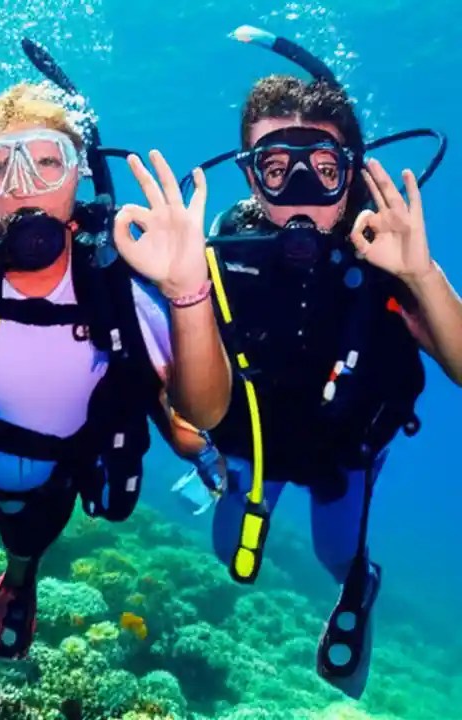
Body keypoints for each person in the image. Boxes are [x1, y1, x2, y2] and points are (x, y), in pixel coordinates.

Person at [0, 80, 232, 660]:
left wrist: (188, 292)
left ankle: (18, 580)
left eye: (47, 162)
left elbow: (206, 412)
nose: (22, 190)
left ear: (80, 174)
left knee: (25, 543)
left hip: (57, 478)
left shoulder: (120, 279)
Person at [174, 29, 462, 698]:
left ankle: (361, 587)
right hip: (254, 446)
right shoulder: (223, 256)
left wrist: (422, 275)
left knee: (339, 558)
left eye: (324, 169)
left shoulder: (388, 254)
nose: (300, 189)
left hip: (346, 451)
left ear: (353, 171)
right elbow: (186, 394)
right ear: (250, 175)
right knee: (226, 552)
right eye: (277, 169)